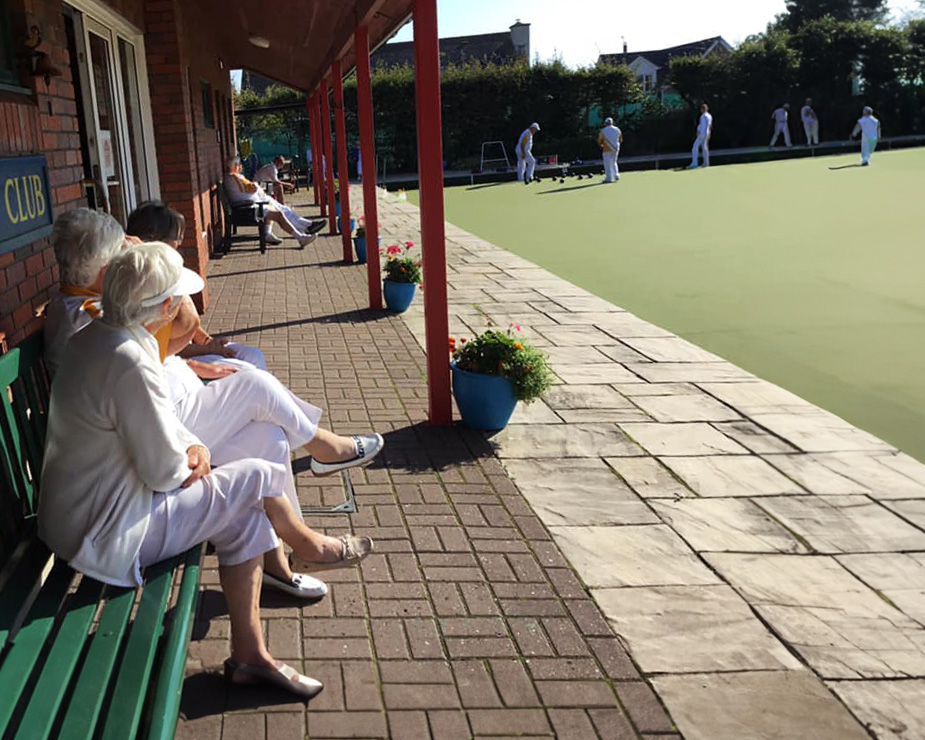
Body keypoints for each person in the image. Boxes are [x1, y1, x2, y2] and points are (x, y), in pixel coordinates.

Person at [38, 241, 343, 699]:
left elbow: (157, 432)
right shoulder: (130, 360)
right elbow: (165, 473)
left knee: (242, 506)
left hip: (80, 514)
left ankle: (250, 655)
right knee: (256, 475)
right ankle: (302, 542)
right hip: (105, 532)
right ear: (165, 308)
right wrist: (191, 456)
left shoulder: (98, 337)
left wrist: (195, 446)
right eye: (179, 298)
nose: (183, 305)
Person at [44, 209, 384, 594]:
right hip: (122, 488)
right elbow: (179, 329)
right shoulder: (98, 322)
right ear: (108, 269)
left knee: (268, 439)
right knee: (254, 388)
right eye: (122, 255)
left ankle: (279, 566)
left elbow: (149, 369)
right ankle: (318, 467)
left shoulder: (97, 318)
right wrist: (154, 260)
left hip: (140, 441)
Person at [126, 201, 266, 370]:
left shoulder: (165, 275)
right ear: (154, 241)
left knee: (253, 356)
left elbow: (190, 327)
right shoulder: (145, 288)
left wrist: (209, 341)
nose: (180, 250)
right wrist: (206, 350)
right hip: (169, 363)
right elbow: (170, 344)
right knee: (249, 371)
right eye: (176, 243)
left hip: (186, 352)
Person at [224, 157, 323, 247]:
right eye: (239, 164)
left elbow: (249, 187)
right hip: (249, 209)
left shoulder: (234, 177)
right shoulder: (234, 177)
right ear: (236, 166)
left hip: (255, 202)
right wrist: (256, 186)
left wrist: (256, 187)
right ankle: (302, 235)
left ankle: (269, 234)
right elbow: (252, 188)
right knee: (279, 212)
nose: (241, 166)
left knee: (280, 208)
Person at [597, 117, 623, 183]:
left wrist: (601, 145)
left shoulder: (603, 131)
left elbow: (599, 140)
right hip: (616, 148)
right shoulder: (617, 129)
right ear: (612, 122)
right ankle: (616, 176)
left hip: (606, 149)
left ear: (605, 123)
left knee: (607, 164)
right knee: (614, 162)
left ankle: (608, 178)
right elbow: (620, 140)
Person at [689, 104, 713, 169]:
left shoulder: (703, 116)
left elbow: (705, 125)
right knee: (704, 148)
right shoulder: (709, 116)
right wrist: (708, 133)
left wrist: (701, 133)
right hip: (706, 134)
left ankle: (694, 163)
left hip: (703, 134)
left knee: (695, 147)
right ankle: (706, 163)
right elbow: (708, 125)